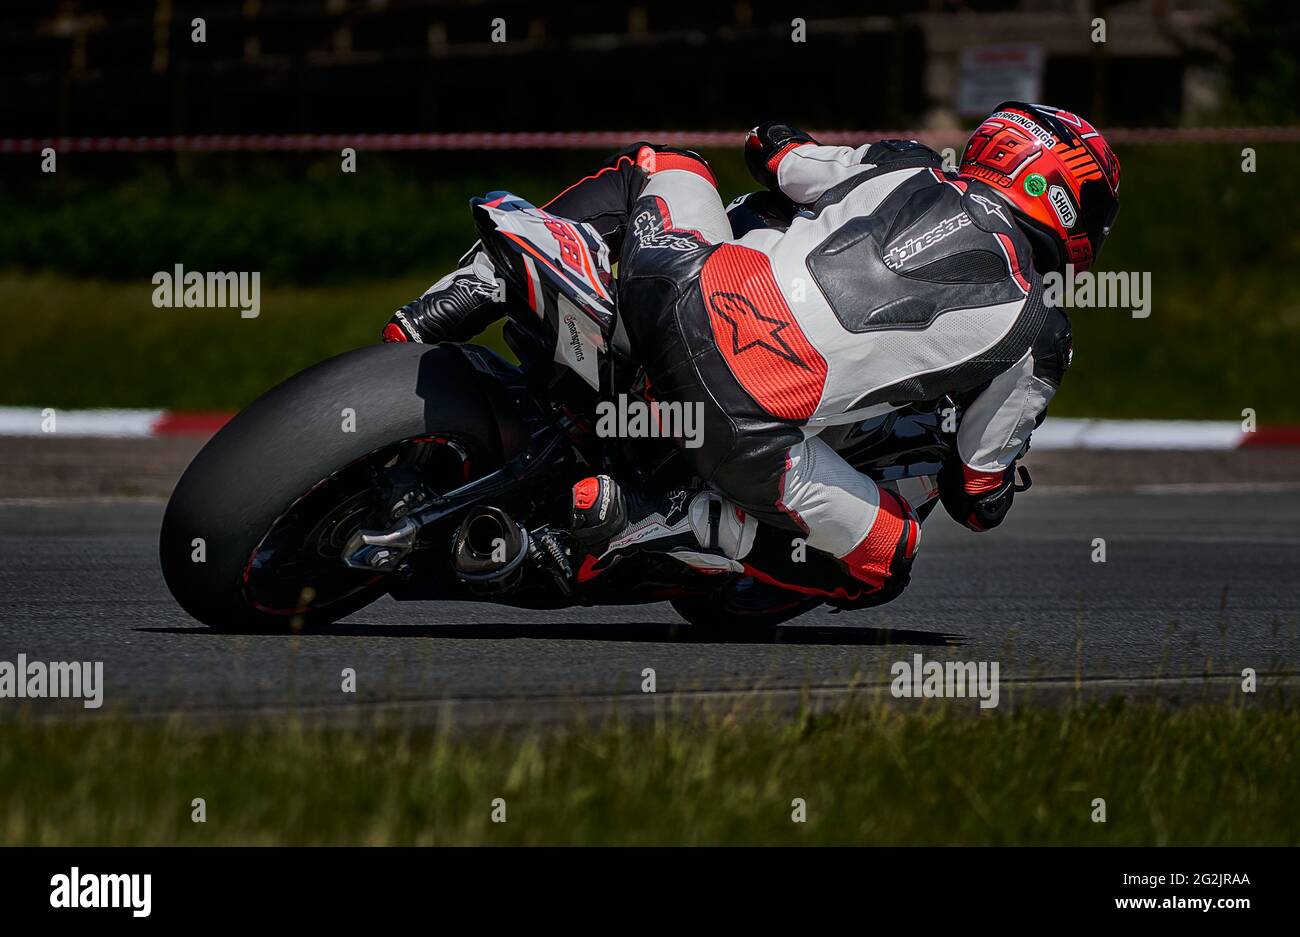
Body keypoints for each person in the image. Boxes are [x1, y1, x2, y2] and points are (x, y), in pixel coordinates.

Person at [383, 103, 1121, 604]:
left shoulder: (909, 162)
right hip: (748, 428)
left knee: (665, 162)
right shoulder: (1040, 330)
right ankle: (681, 520)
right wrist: (994, 490)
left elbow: (776, 155)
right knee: (888, 557)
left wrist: (779, 134)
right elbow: (976, 490)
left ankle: (487, 274)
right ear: (1064, 197)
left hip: (677, 293)